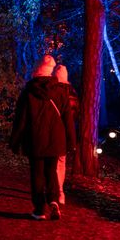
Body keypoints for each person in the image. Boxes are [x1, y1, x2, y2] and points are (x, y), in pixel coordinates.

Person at [9, 55, 76, 220]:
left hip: (35, 138)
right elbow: (67, 118)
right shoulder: (60, 91)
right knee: (51, 171)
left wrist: (14, 141)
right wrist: (71, 141)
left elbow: (21, 119)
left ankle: (39, 209)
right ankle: (53, 200)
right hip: (56, 138)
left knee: (37, 173)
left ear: (36, 71)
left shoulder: (28, 92)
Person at [52, 65, 79, 204]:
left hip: (52, 131)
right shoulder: (73, 93)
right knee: (61, 163)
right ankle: (60, 191)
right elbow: (75, 114)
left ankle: (53, 191)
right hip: (66, 132)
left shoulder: (52, 91)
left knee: (51, 162)